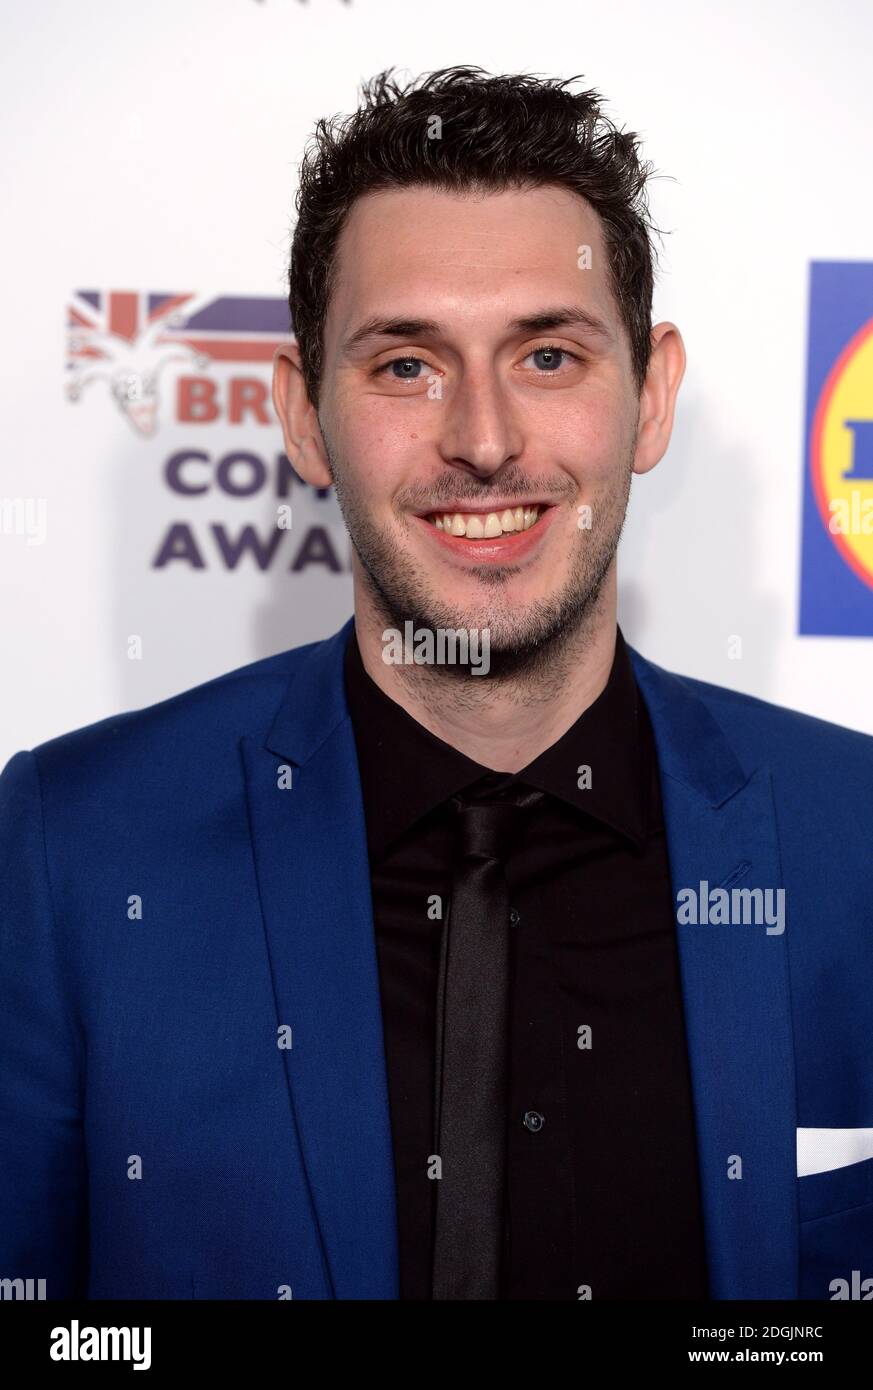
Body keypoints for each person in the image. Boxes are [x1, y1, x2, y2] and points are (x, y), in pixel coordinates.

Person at [1, 67, 871, 1302]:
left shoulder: (855, 841)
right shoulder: (76, 849)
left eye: (550, 354)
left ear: (652, 395)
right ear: (303, 415)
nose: (484, 438)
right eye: (407, 365)